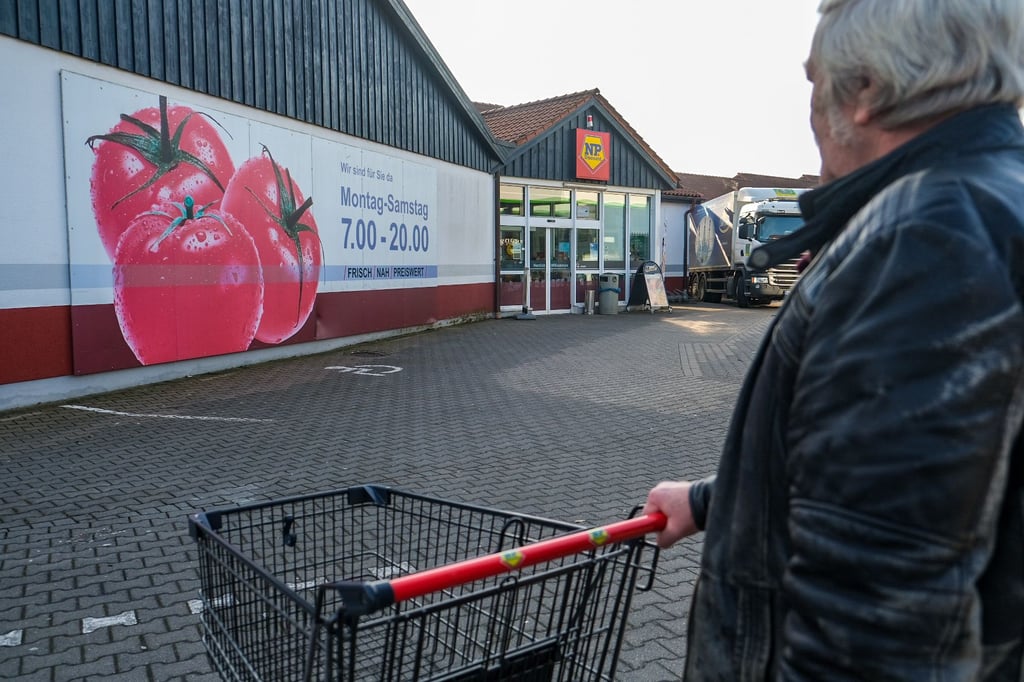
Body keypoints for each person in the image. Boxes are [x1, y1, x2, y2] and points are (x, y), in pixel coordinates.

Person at [644, 0, 1024, 678]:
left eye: (815, 82)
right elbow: (922, 480)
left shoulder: (925, 241)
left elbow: (875, 631)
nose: (812, 111)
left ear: (868, 90)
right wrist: (709, 499)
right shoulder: (992, 205)